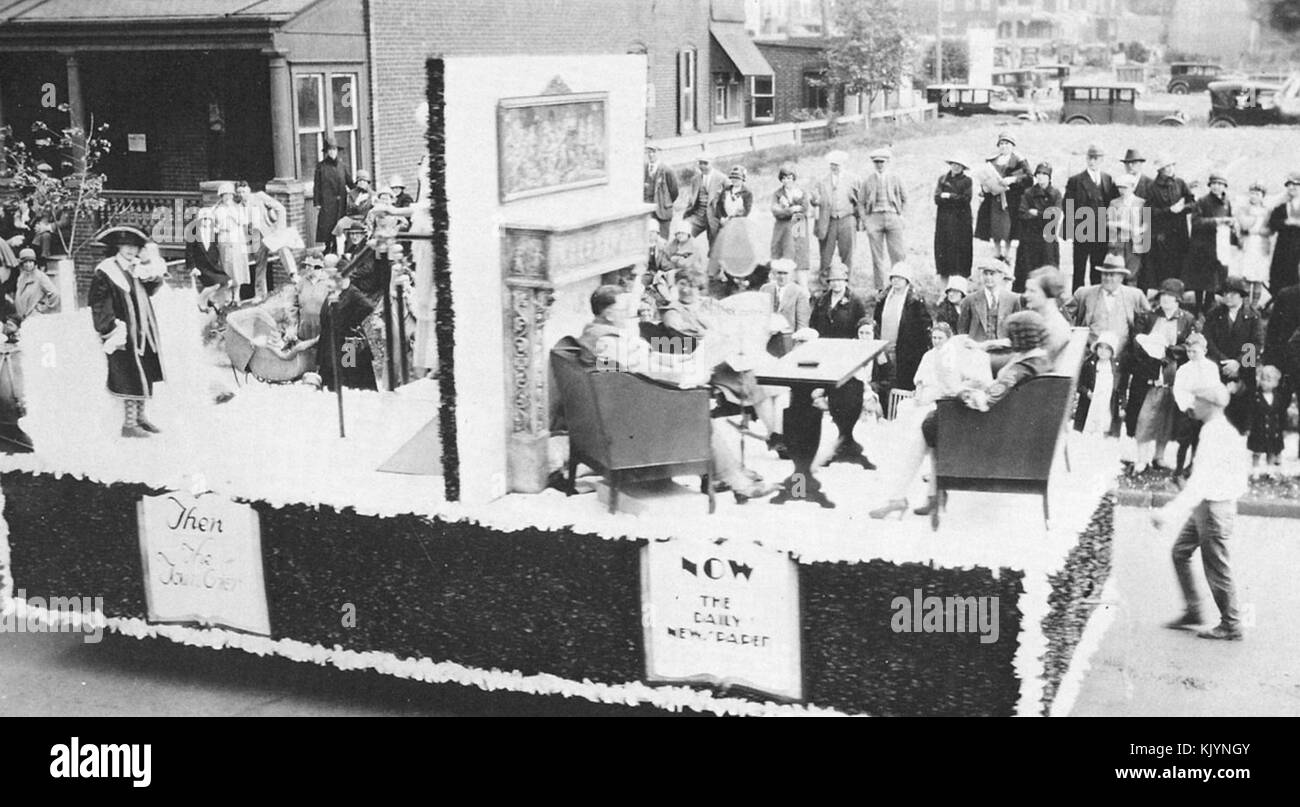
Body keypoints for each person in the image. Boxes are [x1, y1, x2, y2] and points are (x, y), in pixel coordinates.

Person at [576, 285, 778, 502]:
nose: (629, 311)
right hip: (631, 421)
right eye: (623, 307)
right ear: (607, 313)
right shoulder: (606, 341)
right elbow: (647, 371)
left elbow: (647, 359)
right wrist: (687, 373)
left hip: (626, 406)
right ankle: (736, 482)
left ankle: (726, 473)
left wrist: (684, 361)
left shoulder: (602, 332)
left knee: (695, 407)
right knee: (696, 412)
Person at [870, 310, 1054, 519]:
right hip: (1010, 427)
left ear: (1021, 339)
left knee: (930, 425)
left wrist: (956, 389)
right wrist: (980, 351)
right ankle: (930, 495)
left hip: (991, 434)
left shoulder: (1019, 370)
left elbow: (984, 402)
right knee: (932, 424)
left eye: (1013, 336)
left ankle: (901, 497)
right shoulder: (1038, 359)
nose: (1010, 341)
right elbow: (1005, 350)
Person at [1153, 381, 1249, 641]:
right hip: (1212, 504)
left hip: (1213, 507)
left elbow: (1200, 482)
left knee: (1217, 567)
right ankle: (1194, 610)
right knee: (1180, 552)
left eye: (1197, 400)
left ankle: (1231, 624)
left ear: (1209, 404)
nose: (1193, 404)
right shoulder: (1220, 430)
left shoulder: (1215, 433)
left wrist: (1168, 513)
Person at [87, 228, 168, 438]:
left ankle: (141, 417)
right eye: (127, 246)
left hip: (143, 327)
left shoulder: (136, 268)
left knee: (145, 370)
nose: (131, 250)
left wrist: (150, 267)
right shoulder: (106, 271)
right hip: (124, 330)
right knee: (130, 373)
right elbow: (99, 303)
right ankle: (129, 424)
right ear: (118, 247)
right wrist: (110, 329)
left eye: (135, 246)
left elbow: (150, 290)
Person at [1127, 278, 1196, 472]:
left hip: (1172, 375)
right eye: (1163, 295)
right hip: (1148, 373)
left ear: (1178, 300)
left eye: (1171, 297)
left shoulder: (1187, 319)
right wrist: (1152, 350)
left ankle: (1160, 456)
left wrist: (1170, 350)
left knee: (1166, 417)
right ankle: (1141, 458)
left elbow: (1191, 344)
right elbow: (1137, 342)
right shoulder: (1147, 317)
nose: (1166, 300)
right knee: (1144, 416)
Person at [810, 262, 874, 466]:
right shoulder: (822, 301)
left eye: (840, 280)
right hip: (827, 354)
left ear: (846, 281)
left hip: (846, 356)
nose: (836, 284)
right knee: (833, 397)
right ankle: (840, 440)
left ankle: (848, 440)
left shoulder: (855, 302)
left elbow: (861, 327)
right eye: (833, 281)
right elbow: (814, 325)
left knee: (848, 397)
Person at [1202, 275, 1265, 433]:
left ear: (1242, 296)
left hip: (1243, 370)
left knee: (1241, 413)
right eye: (1225, 293)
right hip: (1219, 367)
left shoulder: (1253, 316)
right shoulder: (1214, 314)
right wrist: (1223, 361)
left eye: (1232, 293)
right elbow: (1207, 340)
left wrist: (1238, 363)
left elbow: (1256, 343)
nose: (1227, 297)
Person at [1064, 253, 1151, 356]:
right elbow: (1064, 315)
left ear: (1121, 277)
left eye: (1112, 275)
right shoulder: (1084, 294)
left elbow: (1149, 320)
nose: (1108, 278)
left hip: (1122, 357)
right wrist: (1074, 338)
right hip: (1090, 356)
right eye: (1105, 274)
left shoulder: (1135, 295)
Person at [872, 262, 932, 407]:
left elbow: (923, 328)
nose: (896, 281)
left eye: (900, 278)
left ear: (907, 280)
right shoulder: (884, 298)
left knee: (900, 385)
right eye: (893, 277)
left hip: (904, 353)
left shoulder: (915, 301)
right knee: (883, 383)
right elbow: (876, 321)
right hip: (883, 350)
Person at [1063, 144, 1118, 290]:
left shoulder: (1107, 178)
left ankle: (1096, 297)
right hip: (1082, 230)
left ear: (1102, 160)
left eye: (1096, 158)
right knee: (1079, 269)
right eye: (1090, 158)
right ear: (1086, 159)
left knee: (1098, 268)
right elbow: (1068, 206)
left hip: (1101, 232)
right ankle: (1077, 301)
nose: (1093, 161)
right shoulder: (1076, 180)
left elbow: (1112, 204)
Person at [974, 131, 1032, 264]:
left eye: (1007, 144)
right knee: (994, 223)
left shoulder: (1019, 160)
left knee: (1009, 226)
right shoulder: (993, 161)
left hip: (1012, 199)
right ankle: (996, 251)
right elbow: (985, 176)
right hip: (994, 198)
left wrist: (1013, 179)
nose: (1004, 146)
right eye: (1001, 144)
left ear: (1012, 146)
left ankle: (1007, 252)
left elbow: (1028, 178)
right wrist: (984, 188)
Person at [236, 179, 298, 302]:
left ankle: (293, 274)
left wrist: (280, 229)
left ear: (248, 189)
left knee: (282, 248)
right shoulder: (239, 207)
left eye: (243, 191)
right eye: (239, 192)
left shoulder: (259, 197)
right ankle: (260, 295)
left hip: (270, 232)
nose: (242, 194)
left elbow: (280, 209)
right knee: (260, 265)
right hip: (255, 237)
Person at [1171, 332, 1220, 479]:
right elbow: (1178, 389)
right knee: (1184, 442)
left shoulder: (1211, 368)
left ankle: (1193, 467)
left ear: (1204, 351)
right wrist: (1186, 405)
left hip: (1204, 410)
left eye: (1195, 351)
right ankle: (1178, 469)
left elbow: (1213, 387)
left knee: (1199, 441)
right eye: (1189, 351)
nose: (1191, 354)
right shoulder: (1184, 369)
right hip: (1188, 411)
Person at [1185, 173, 1235, 313]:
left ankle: (1209, 307)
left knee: (1215, 279)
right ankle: (1198, 308)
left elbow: (1230, 219)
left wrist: (1231, 225)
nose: (1216, 187)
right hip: (1202, 246)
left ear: (1224, 186)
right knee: (1200, 280)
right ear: (1210, 185)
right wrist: (1216, 221)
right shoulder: (1202, 201)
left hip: (1220, 246)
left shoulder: (1226, 202)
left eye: (1220, 184)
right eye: (1214, 184)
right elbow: (1196, 222)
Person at [1261, 279, 1300, 458]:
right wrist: (1268, 361)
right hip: (1283, 362)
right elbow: (1272, 329)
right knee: (1277, 408)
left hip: (1290, 361)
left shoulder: (1285, 293)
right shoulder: (1286, 294)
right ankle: (1274, 452)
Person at [809, 150, 861, 283]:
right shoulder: (822, 181)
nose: (834, 167)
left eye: (837, 164)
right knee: (826, 253)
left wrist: (857, 218)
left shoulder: (853, 179)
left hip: (847, 219)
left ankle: (846, 280)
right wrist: (815, 200)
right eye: (832, 164)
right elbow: (815, 201)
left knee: (847, 252)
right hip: (829, 220)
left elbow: (860, 201)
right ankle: (824, 280)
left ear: (843, 164)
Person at [1145, 154, 1196, 289]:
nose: (1169, 169)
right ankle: (1164, 294)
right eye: (1165, 167)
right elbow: (1149, 211)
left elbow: (1193, 203)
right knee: (1163, 267)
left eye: (1171, 165)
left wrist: (1182, 209)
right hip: (1162, 236)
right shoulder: (1152, 187)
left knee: (1180, 264)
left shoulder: (1180, 183)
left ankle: (1178, 296)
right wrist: (1169, 210)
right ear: (1160, 170)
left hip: (1180, 233)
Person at [861, 147, 907, 290]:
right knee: (877, 256)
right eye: (877, 162)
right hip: (875, 217)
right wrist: (866, 220)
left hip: (893, 216)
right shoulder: (868, 180)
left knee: (898, 254)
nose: (880, 165)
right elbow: (861, 203)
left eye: (882, 162)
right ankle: (880, 289)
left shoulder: (895, 178)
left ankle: (900, 286)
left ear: (888, 162)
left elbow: (905, 198)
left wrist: (902, 216)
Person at [1015, 162, 1063, 292]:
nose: (1041, 177)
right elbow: (1022, 213)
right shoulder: (1028, 193)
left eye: (1044, 174)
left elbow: (1055, 215)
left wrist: (1037, 213)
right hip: (1030, 239)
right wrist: (1044, 215)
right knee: (1027, 273)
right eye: (1038, 174)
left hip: (1048, 239)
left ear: (1049, 177)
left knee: (1048, 273)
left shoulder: (1056, 194)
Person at [957, 259, 1022, 343]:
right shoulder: (970, 300)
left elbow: (1017, 328)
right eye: (985, 274)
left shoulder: (1013, 299)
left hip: (1003, 350)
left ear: (1002, 276)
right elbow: (962, 330)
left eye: (992, 274)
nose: (988, 278)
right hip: (978, 350)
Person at [1022, 265, 1073, 367]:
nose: (1025, 295)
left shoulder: (1056, 326)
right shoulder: (1041, 319)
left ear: (1048, 295)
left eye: (1032, 291)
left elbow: (1037, 364)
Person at [933, 157, 974, 280]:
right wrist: (954, 198)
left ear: (963, 167)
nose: (956, 167)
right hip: (944, 220)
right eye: (954, 164)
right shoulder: (942, 179)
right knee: (943, 250)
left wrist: (949, 196)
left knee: (961, 250)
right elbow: (937, 198)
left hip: (961, 220)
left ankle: (960, 284)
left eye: (959, 165)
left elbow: (966, 199)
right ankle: (944, 286)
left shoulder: (967, 181)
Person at [759, 258, 810, 357]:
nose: (782, 277)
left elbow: (802, 323)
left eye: (785, 273)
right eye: (779, 273)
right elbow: (759, 314)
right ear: (774, 274)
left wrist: (798, 346)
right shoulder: (765, 289)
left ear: (792, 275)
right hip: (766, 340)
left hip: (787, 341)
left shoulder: (799, 293)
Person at [769, 163, 811, 283]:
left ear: (794, 178)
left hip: (798, 223)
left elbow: (804, 208)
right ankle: (784, 278)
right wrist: (790, 210)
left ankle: (801, 280)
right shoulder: (777, 194)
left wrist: (794, 209)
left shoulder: (801, 192)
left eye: (789, 178)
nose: (787, 181)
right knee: (783, 250)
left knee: (799, 250)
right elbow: (776, 211)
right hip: (782, 227)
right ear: (781, 180)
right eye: (784, 178)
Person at [1073, 332, 1120, 436]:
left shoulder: (1116, 368)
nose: (1103, 351)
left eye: (1107, 349)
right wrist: (1087, 393)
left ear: (1112, 352)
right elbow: (1080, 384)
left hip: (1106, 403)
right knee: (1087, 430)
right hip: (1091, 403)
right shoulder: (1089, 364)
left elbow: (1118, 387)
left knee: (1103, 429)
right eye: (1101, 347)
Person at [1235, 181, 1273, 308]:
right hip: (1248, 244)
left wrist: (1261, 230)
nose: (1254, 196)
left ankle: (1254, 306)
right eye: (1251, 194)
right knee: (1246, 276)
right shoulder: (1244, 209)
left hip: (1261, 246)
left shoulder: (1268, 211)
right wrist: (1254, 217)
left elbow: (1271, 229)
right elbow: (1244, 225)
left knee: (1258, 277)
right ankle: (1245, 305)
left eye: (1257, 194)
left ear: (1262, 196)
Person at [313, 136, 352, 254]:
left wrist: (362, 192)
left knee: (338, 224)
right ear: (326, 152)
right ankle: (327, 247)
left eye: (334, 149)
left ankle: (336, 248)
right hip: (327, 202)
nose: (332, 152)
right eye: (330, 150)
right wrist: (317, 202)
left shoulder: (342, 166)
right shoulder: (321, 166)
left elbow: (350, 182)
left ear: (337, 151)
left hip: (341, 202)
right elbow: (317, 185)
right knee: (327, 225)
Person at [1107, 173, 1148, 286]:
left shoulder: (1142, 203)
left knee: (1132, 274)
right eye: (1120, 187)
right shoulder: (1114, 203)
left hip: (1135, 243)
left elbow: (1147, 224)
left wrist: (1138, 230)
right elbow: (1108, 221)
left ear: (1133, 187)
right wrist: (1120, 224)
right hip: (1118, 243)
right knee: (1116, 271)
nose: (1122, 190)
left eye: (1125, 187)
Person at [212, 182, 251, 297]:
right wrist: (216, 229)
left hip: (236, 238)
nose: (227, 197)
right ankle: (228, 296)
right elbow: (212, 223)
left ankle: (237, 294)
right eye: (225, 195)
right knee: (227, 266)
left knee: (237, 266)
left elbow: (243, 221)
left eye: (229, 195)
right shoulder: (217, 209)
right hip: (224, 238)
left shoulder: (238, 208)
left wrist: (232, 211)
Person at [289, 250, 336, 342]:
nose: (308, 269)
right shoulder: (301, 282)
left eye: (312, 266)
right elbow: (293, 307)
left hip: (323, 334)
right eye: (307, 265)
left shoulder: (329, 283)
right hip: (304, 333)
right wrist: (293, 327)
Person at [1266, 171, 1300, 294]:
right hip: (1284, 248)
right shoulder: (1282, 207)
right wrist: (1286, 222)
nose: (1292, 188)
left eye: (1295, 185)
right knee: (1279, 277)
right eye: (1289, 185)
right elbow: (1272, 223)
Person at [1247, 365, 1287, 467]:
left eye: (1268, 381)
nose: (1264, 383)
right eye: (1263, 379)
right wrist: (1248, 427)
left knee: (1272, 451)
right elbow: (1251, 413)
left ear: (1275, 383)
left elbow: (1281, 413)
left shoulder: (1278, 397)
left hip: (1273, 430)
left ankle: (1270, 470)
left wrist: (1283, 428)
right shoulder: (1256, 397)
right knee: (1257, 451)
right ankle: (1255, 469)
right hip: (1259, 429)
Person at [683, 152, 725, 247]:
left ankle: (713, 260)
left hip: (714, 217)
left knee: (715, 246)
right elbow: (693, 199)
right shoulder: (695, 179)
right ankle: (685, 258)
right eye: (700, 163)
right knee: (683, 231)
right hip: (698, 216)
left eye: (705, 163)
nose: (702, 166)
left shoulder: (722, 178)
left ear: (712, 163)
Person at [643, 145, 680, 241]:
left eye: (654, 152)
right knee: (648, 239)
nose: (651, 155)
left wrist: (665, 202)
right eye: (648, 152)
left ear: (659, 153)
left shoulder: (667, 170)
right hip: (648, 211)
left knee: (663, 241)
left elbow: (674, 191)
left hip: (663, 210)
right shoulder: (644, 169)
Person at [13, 247, 59, 319]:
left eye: (31, 262)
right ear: (22, 264)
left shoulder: (40, 277)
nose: (28, 265)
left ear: (34, 263)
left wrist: (41, 308)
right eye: (25, 262)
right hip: (22, 317)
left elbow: (54, 294)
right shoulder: (21, 277)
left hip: (34, 317)